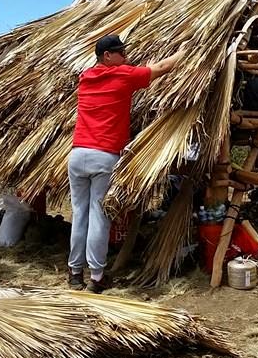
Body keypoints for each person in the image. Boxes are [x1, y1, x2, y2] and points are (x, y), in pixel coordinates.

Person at [68, 34, 182, 292]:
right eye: (121, 53)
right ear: (107, 56)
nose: (126, 57)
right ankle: (97, 277)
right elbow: (163, 67)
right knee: (99, 215)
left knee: (79, 214)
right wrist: (185, 51)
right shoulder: (123, 75)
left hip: (77, 155)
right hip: (103, 155)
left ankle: (75, 273)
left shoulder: (85, 78)